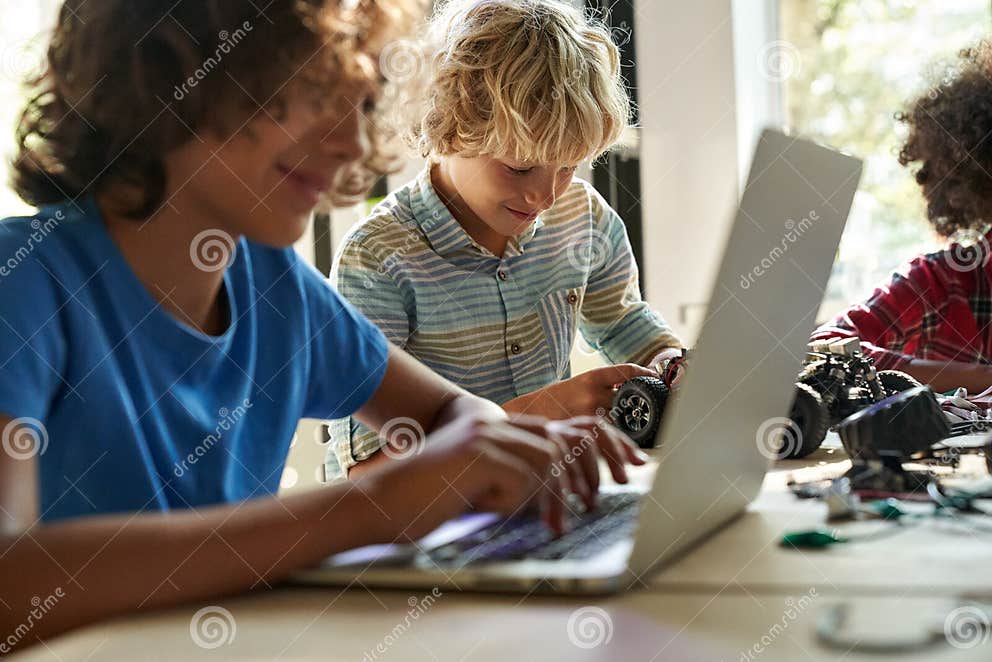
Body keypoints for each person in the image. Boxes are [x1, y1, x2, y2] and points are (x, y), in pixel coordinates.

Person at [0, 0, 644, 651]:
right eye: (313, 94)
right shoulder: (23, 281)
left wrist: (506, 449)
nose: (354, 144)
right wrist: (376, 506)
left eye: (359, 103)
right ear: (171, 78)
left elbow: (455, 414)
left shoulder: (277, 288)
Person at [327, 0, 683, 480]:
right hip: (416, 534)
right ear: (448, 127)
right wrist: (540, 411)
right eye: (519, 168)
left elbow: (621, 322)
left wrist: (668, 364)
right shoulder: (377, 258)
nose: (546, 195)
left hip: (534, 499)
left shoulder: (584, 217)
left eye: (568, 166)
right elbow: (367, 474)